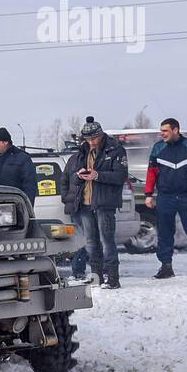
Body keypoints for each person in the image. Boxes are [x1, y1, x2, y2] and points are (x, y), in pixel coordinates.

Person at [144, 117, 187, 279]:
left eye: (165, 131)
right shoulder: (158, 147)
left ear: (176, 130)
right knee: (165, 233)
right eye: (161, 131)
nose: (162, 134)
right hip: (165, 196)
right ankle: (166, 266)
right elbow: (151, 172)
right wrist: (148, 194)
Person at [73, 116, 128, 289]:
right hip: (85, 203)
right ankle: (96, 276)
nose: (91, 142)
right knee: (90, 242)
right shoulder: (82, 151)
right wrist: (79, 175)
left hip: (105, 203)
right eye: (88, 139)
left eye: (94, 138)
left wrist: (98, 175)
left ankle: (113, 278)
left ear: (101, 134)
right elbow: (71, 176)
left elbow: (121, 176)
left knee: (107, 241)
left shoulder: (116, 150)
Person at [59, 147, 89, 280]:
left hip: (91, 204)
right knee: (81, 239)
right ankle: (78, 269)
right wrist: (66, 197)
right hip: (76, 206)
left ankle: (100, 270)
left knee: (92, 239)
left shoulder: (97, 158)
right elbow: (64, 180)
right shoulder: (73, 159)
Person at [0, 128, 37, 202]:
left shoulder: (22, 158)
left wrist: (27, 207)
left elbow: (30, 186)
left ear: (5, 142)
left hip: (15, 204)